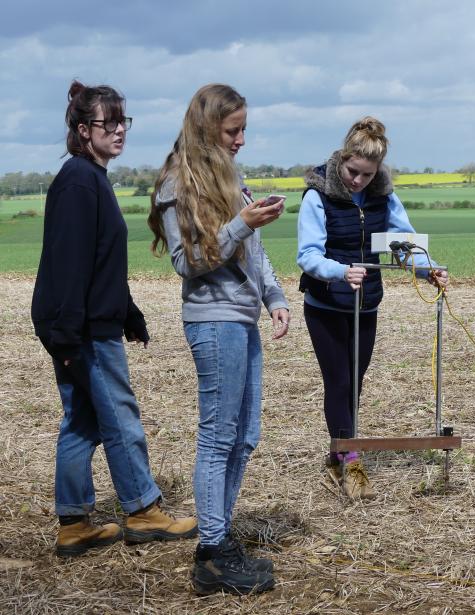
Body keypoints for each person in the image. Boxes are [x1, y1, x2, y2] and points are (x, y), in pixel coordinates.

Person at [31, 81, 198, 558]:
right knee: (120, 418)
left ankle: (74, 523)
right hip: (81, 330)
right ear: (84, 130)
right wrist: (66, 339)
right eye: (110, 122)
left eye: (124, 121)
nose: (121, 130)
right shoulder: (80, 181)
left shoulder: (90, 179)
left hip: (84, 324)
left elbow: (100, 261)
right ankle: (143, 509)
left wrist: (129, 313)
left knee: (82, 421)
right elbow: (69, 263)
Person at [148, 84, 288, 595]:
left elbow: (255, 251)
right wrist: (239, 226)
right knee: (218, 436)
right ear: (208, 128)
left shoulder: (230, 176)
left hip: (242, 317)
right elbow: (188, 263)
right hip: (213, 320)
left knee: (244, 436)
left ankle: (219, 539)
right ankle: (211, 552)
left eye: (244, 129)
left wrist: (274, 295)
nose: (242, 140)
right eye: (233, 130)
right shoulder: (176, 183)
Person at [297, 117, 448, 499]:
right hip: (326, 304)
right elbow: (308, 255)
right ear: (342, 159)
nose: (358, 181)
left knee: (355, 385)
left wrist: (429, 269)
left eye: (367, 174)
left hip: (366, 305)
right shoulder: (318, 196)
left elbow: (404, 245)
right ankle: (350, 462)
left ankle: (338, 453)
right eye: (353, 172)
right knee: (340, 382)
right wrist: (340, 271)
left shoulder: (384, 196)